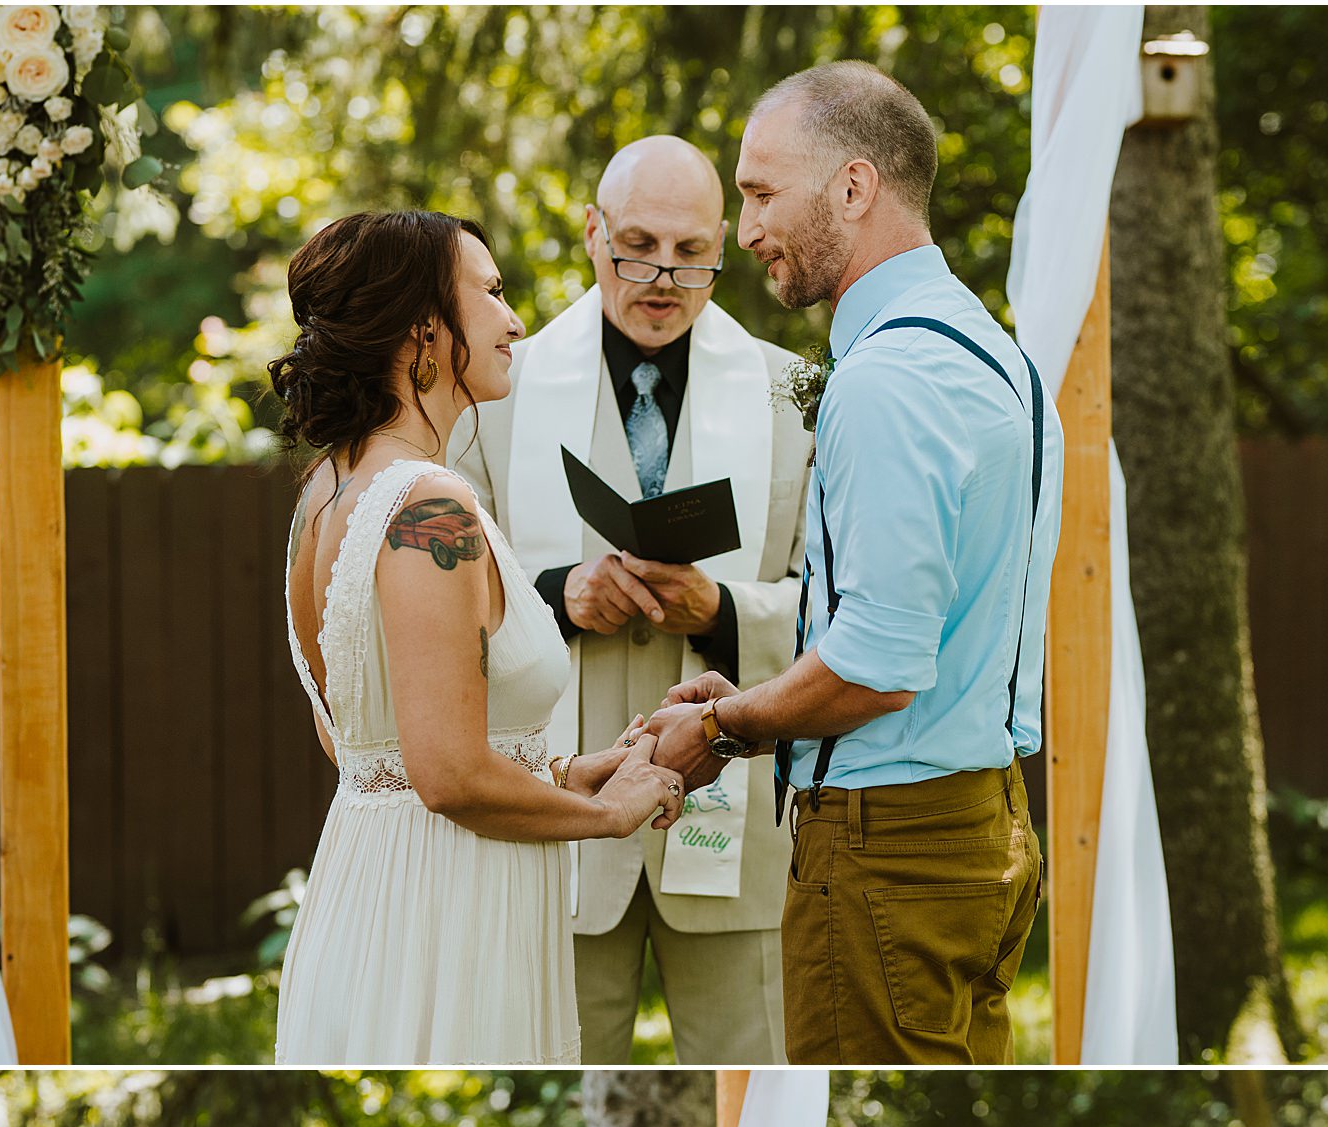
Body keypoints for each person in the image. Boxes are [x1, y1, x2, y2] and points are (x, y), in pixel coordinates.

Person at [642, 64, 1064, 1066]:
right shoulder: (989, 350)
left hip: (891, 850)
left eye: (757, 193)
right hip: (981, 814)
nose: (743, 232)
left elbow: (879, 665)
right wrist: (759, 687)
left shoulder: (886, 381)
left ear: (853, 186)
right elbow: (922, 615)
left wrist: (722, 725)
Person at [268, 208, 684, 1067]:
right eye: (491, 294)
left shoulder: (326, 492)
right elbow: (446, 771)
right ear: (425, 327)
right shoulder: (428, 506)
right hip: (444, 915)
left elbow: (369, 745)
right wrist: (604, 814)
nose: (515, 319)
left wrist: (564, 771)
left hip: (373, 888)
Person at [452, 139, 813, 1066]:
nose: (662, 277)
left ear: (723, 242)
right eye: (636, 246)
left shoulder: (794, 394)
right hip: (554, 819)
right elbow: (442, 601)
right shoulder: (499, 391)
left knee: (754, 1079)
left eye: (691, 252)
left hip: (734, 816)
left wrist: (722, 609)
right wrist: (556, 595)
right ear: (591, 232)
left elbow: (845, 607)